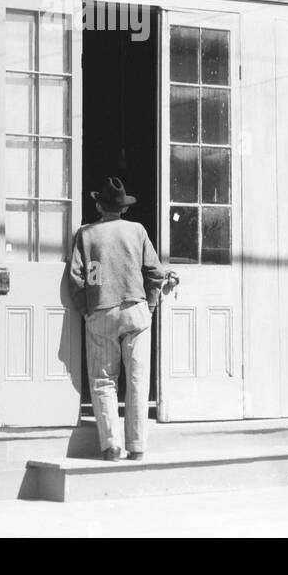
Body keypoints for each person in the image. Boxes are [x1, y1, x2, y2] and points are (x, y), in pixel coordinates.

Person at [66, 178, 177, 462]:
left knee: (104, 381)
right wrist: (149, 305)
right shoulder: (137, 231)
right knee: (138, 380)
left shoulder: (86, 234)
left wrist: (86, 309)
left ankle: (111, 446)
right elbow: (155, 272)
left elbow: (77, 278)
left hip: (101, 311)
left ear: (99, 205)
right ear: (123, 209)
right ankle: (137, 446)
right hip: (135, 310)